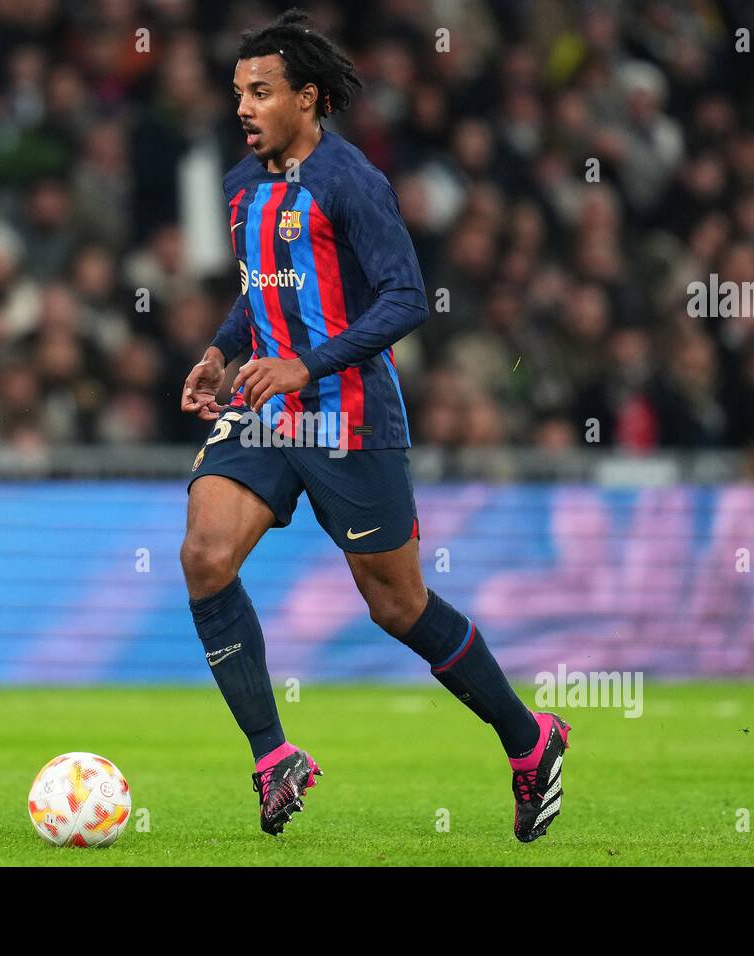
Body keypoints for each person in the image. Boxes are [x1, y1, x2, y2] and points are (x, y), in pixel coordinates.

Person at [178, 8, 569, 841]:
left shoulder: (351, 180)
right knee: (206, 556)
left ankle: (529, 738)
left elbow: (405, 297)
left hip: (349, 420)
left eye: (260, 91)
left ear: (307, 98)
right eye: (237, 92)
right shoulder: (240, 185)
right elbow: (262, 291)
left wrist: (308, 365)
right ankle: (272, 755)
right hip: (265, 410)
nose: (242, 107)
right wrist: (220, 351)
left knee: (397, 607)